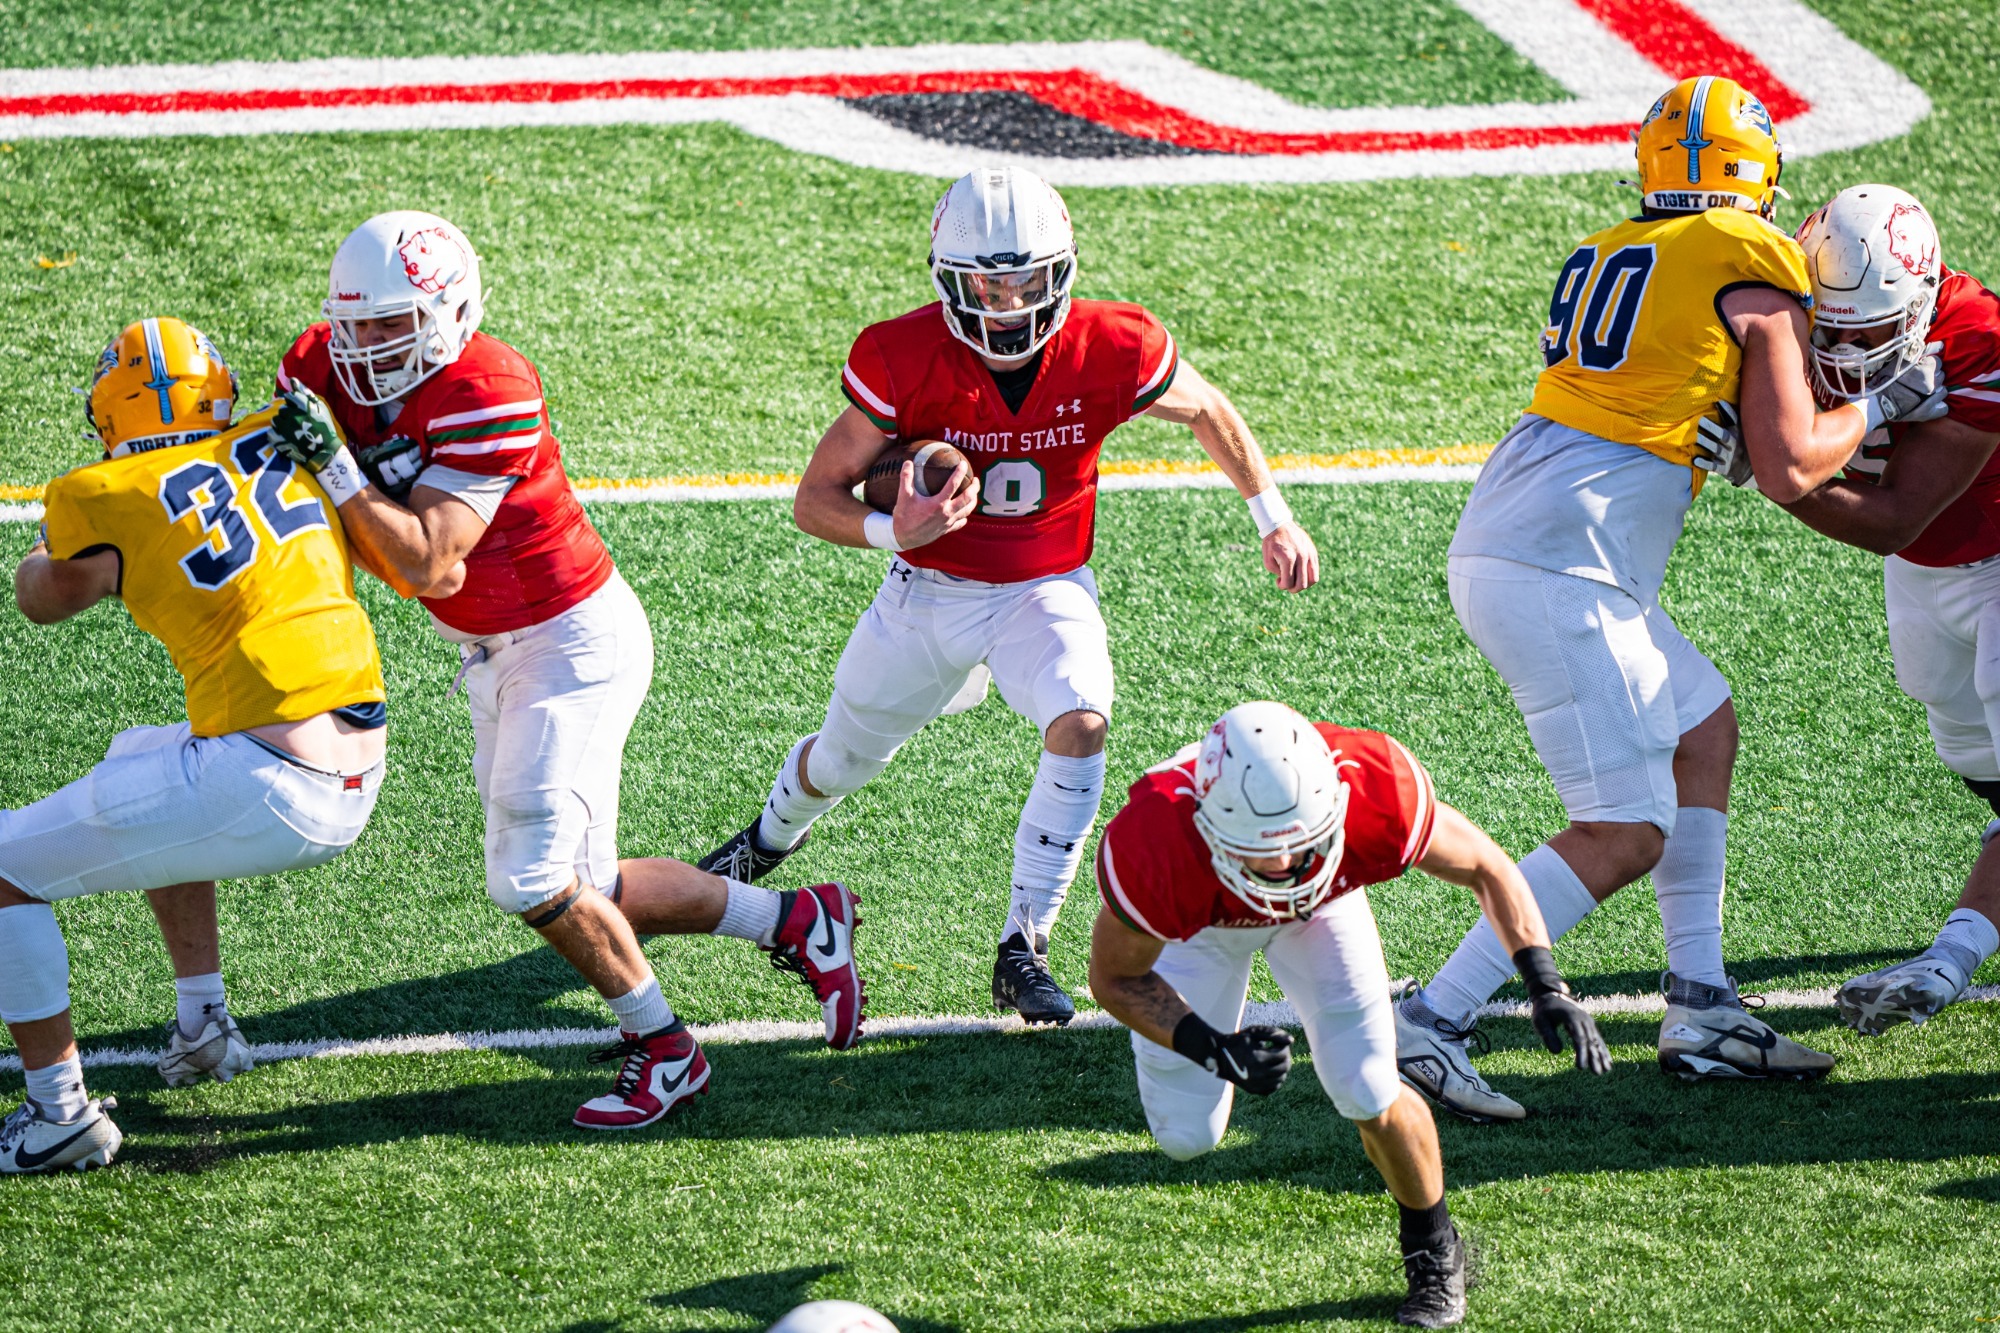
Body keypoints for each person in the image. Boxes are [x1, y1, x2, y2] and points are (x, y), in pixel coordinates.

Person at [1394, 76, 1952, 1119]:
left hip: (1529, 527)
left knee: (1700, 726)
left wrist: (1728, 434)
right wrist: (1879, 393)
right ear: (1760, 175)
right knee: (1622, 829)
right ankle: (1430, 1019)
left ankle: (1697, 1001)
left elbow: (1661, 395)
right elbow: (1793, 465)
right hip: (1563, 563)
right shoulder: (1753, 262)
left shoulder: (1609, 247)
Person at [268, 212, 863, 1131]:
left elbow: (430, 560)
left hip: (568, 639)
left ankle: (665, 1049)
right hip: (488, 645)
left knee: (530, 877)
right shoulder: (318, 364)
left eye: (393, 326)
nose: (368, 349)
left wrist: (341, 473)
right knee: (588, 882)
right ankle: (797, 922)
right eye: (358, 326)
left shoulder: (488, 385)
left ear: (451, 312)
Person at [696, 165, 1320, 1025]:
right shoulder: (900, 353)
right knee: (841, 759)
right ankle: (768, 836)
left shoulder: (1114, 341)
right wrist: (895, 529)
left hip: (1044, 586)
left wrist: (1272, 514)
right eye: (986, 281)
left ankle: (1023, 944)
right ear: (949, 279)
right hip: (931, 588)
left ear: (1060, 270)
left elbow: (1206, 407)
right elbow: (817, 496)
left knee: (1082, 718)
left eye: (1023, 279)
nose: (1005, 302)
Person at [0, 318, 388, 1173]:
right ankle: (202, 1025)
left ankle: (56, 1113)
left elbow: (42, 597)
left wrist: (50, 534)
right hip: (355, 754)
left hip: (268, 777)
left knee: (2, 867)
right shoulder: (282, 435)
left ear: (109, 408)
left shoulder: (101, 492)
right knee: (139, 756)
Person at [1089, 702, 1608, 1328]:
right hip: (1202, 928)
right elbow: (1115, 977)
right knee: (1185, 1138)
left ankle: (1435, 1250)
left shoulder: (1375, 789)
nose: (1282, 869)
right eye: (1259, 854)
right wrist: (1210, 1046)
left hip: (1324, 908)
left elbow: (1487, 867)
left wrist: (1544, 979)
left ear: (1333, 803)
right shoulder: (1158, 841)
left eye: (1297, 846)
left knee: (1369, 1087)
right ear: (1210, 824)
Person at [1776, 185, 2000, 1031]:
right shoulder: (1794, 295)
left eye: (1865, 333)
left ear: (1917, 304)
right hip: (1924, 573)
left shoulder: (1979, 339)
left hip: (1987, 556)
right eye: (1824, 324)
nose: (1837, 349)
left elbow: (1891, 516)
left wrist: (1772, 467)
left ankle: (1954, 955)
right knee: (1973, 755)